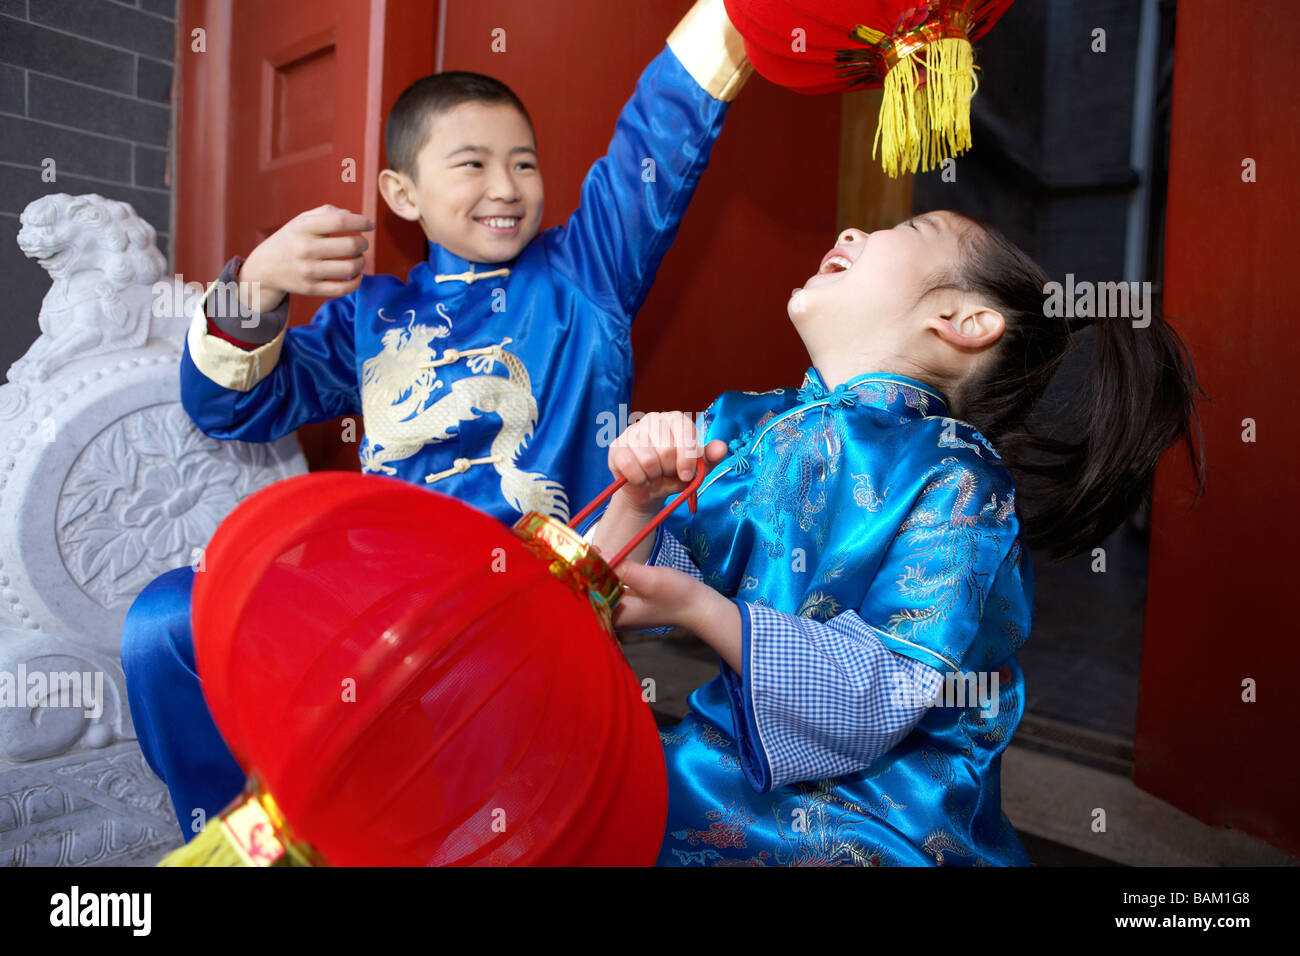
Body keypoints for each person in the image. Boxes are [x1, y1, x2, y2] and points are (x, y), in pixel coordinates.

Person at [122, 0, 752, 837]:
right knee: (167, 622)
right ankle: (239, 836)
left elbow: (658, 135)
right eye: (472, 164)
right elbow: (231, 406)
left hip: (524, 603)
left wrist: (741, 14)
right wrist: (259, 283)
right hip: (377, 591)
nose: (506, 187)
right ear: (401, 193)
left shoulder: (583, 277)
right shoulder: (371, 316)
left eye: (524, 165)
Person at [587, 209, 1202, 866]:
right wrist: (636, 498)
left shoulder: (957, 478)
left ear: (963, 323)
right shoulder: (754, 425)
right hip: (716, 770)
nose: (851, 232)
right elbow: (624, 594)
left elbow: (884, 688)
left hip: (877, 817)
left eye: (905, 232)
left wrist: (700, 610)